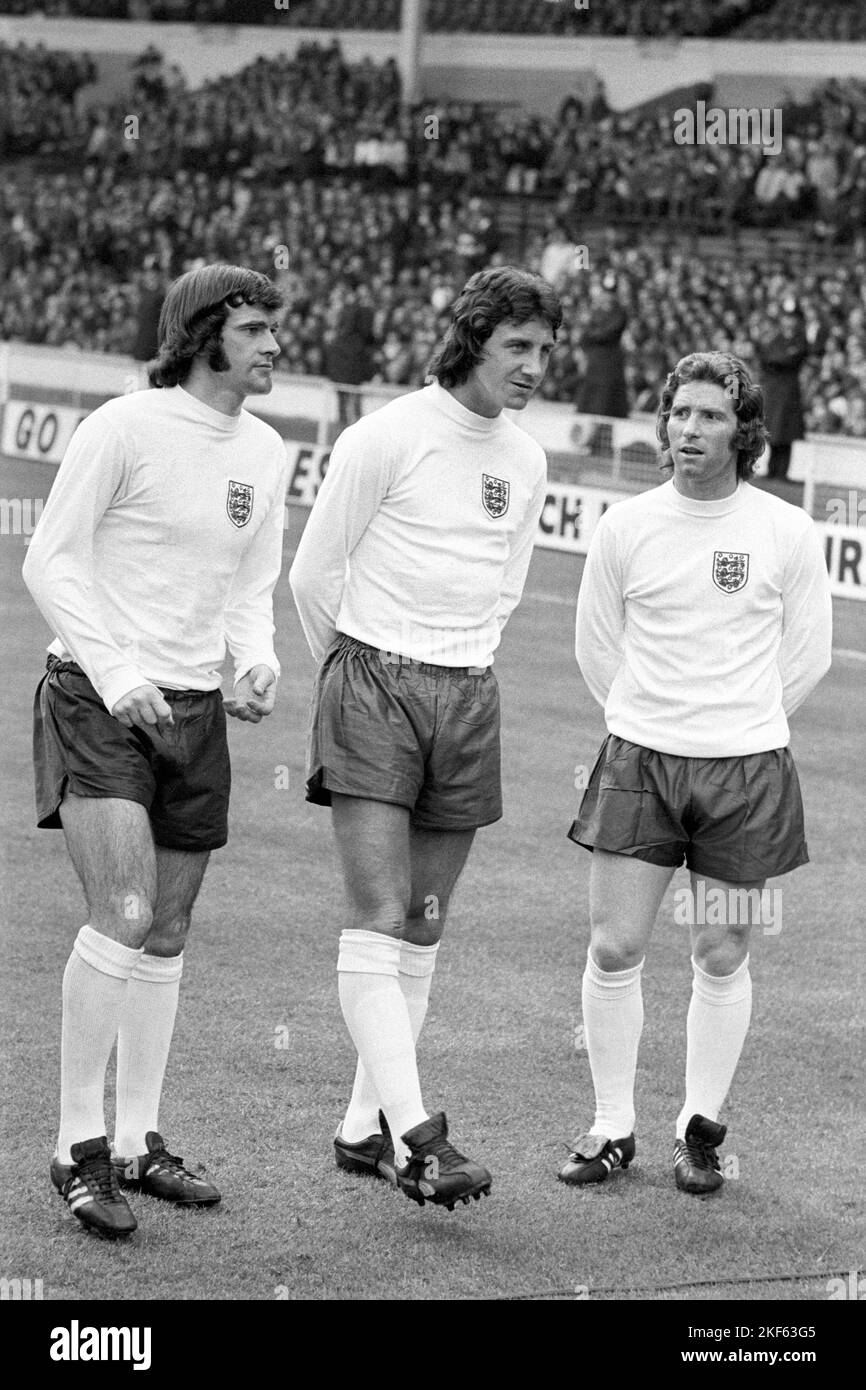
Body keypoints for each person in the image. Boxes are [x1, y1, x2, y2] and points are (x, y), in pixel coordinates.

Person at [22, 263, 289, 1238]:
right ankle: (76, 1147)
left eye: (272, 328)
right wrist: (116, 669)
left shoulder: (264, 450)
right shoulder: (122, 427)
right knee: (123, 910)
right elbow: (47, 557)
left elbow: (253, 579)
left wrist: (253, 661)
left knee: (167, 930)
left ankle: (138, 1139)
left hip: (194, 709)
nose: (271, 345)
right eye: (255, 329)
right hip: (96, 698)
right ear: (204, 332)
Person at [290, 266, 562, 1211]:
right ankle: (419, 1142)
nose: (534, 367)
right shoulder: (388, 435)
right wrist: (354, 677)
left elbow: (509, 587)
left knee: (424, 926)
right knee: (377, 913)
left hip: (468, 694)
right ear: (474, 339)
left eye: (544, 351)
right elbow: (313, 573)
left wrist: (456, 668)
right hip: (373, 680)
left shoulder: (526, 462)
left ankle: (361, 1126)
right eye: (518, 347)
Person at [560, 351, 831, 1196]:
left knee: (720, 952)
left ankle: (697, 1130)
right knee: (615, 945)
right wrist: (653, 718)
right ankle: (611, 1127)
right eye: (680, 414)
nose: (689, 430)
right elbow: (596, 647)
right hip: (640, 764)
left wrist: (732, 722)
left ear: (743, 430)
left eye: (710, 416)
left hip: (744, 775)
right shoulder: (627, 526)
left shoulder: (785, 531)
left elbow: (806, 657)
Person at [756, 296, 809, 481]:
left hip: (788, 391)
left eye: (792, 318)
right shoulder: (776, 339)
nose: (788, 321)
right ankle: (772, 469)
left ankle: (782, 470)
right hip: (775, 390)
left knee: (785, 431)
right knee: (774, 429)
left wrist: (776, 360)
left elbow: (785, 359)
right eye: (786, 317)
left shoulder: (800, 340)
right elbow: (766, 357)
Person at [576, 271, 629, 420]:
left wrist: (592, 335)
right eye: (606, 292)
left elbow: (609, 333)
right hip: (595, 356)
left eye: (611, 293)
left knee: (607, 392)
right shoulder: (596, 311)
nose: (608, 295)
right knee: (591, 389)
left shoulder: (620, 312)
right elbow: (585, 333)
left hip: (610, 357)